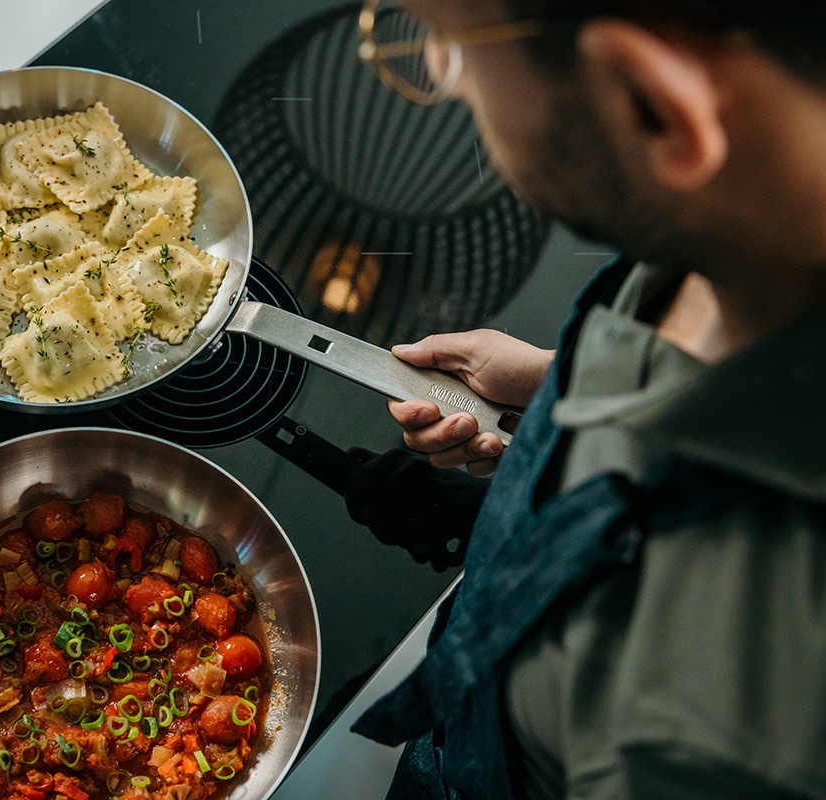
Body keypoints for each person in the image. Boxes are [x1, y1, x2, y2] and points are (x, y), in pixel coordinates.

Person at [345, 0, 826, 797]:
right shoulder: (752, 216)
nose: (437, 72)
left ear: (651, 104)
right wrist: (557, 384)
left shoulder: (708, 736)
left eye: (452, 43)